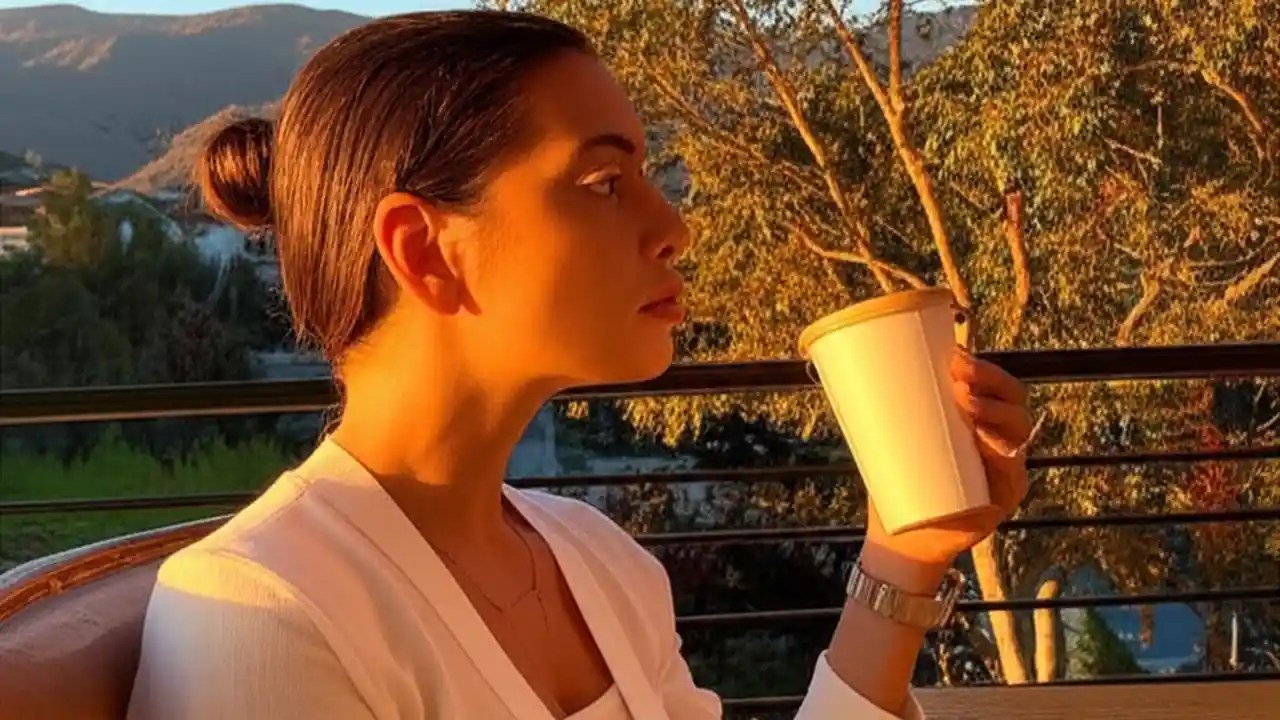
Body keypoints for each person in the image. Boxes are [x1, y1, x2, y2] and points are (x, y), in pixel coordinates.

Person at [127, 10, 1034, 720]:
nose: (671, 228)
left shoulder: (598, 563)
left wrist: (904, 556)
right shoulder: (263, 616)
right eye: (604, 184)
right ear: (424, 249)